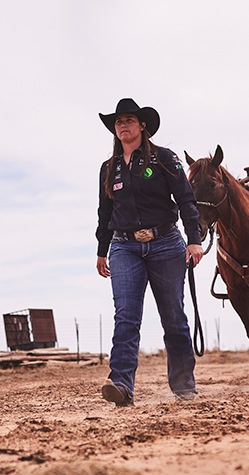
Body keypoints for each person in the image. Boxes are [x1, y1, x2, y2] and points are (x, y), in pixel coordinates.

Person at [95, 97, 205, 405]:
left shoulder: (164, 158)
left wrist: (194, 239)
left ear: (142, 125)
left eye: (129, 120)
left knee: (173, 317)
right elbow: (104, 213)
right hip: (124, 247)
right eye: (118, 122)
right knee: (126, 316)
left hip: (166, 244)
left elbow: (186, 199)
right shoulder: (109, 168)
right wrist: (102, 250)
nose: (123, 125)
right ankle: (121, 384)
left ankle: (184, 386)